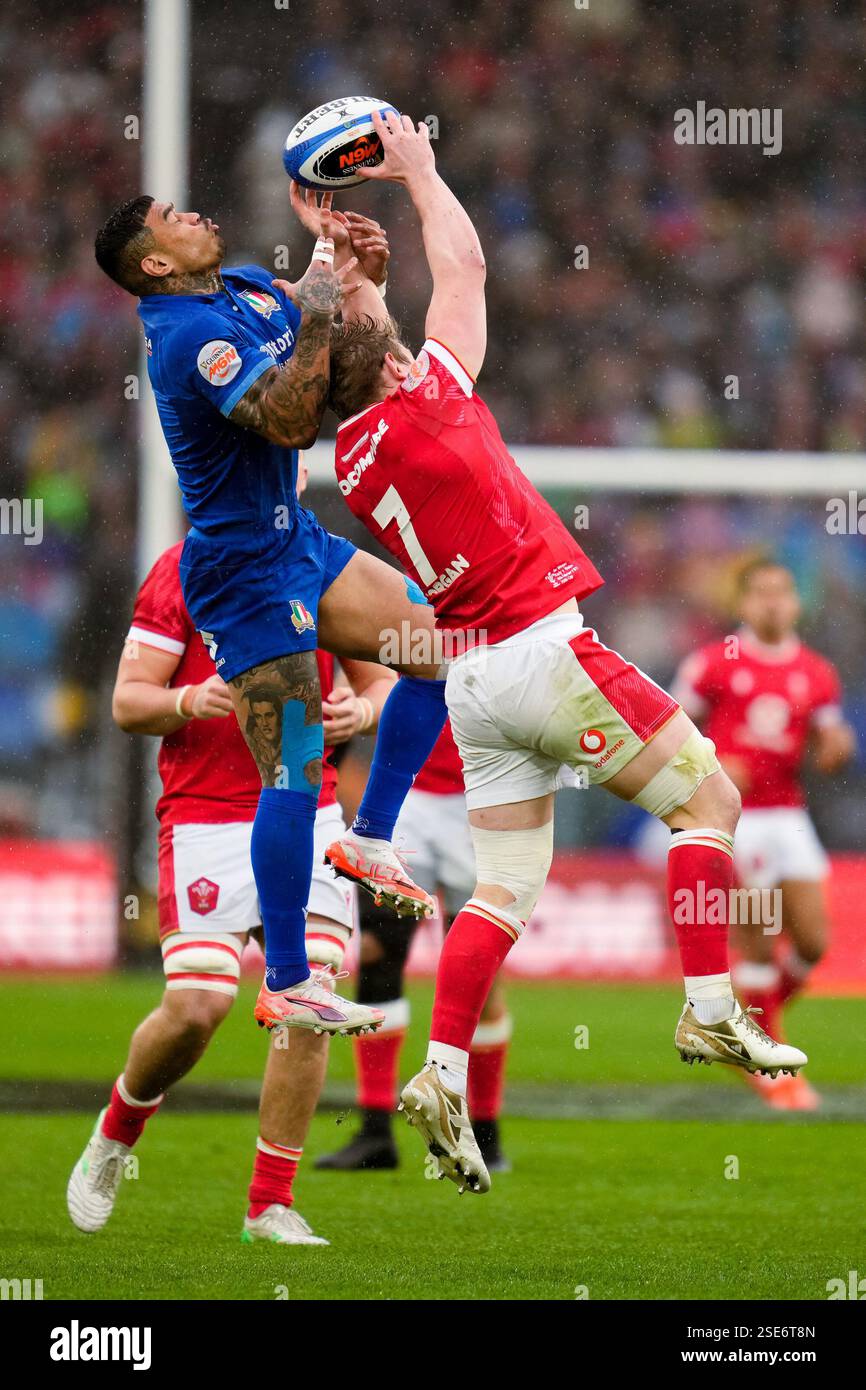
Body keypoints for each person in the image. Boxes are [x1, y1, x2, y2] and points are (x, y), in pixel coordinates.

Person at [323, 110, 807, 1195]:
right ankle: (710, 1004)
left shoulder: (353, 455)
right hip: (543, 652)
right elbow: (466, 268)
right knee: (708, 805)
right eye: (391, 337)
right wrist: (419, 172)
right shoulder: (433, 399)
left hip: (477, 684)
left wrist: (332, 254)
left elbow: (357, 341)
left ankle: (439, 1069)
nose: (405, 336)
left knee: (499, 895)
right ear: (393, 366)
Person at [93, 187, 447, 1041]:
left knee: (440, 647)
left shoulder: (248, 288)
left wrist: (365, 282)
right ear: (154, 263)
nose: (199, 215)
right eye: (179, 218)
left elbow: (344, 379)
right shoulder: (183, 340)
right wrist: (322, 289)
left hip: (300, 542)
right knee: (292, 766)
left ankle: (368, 836)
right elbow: (290, 420)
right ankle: (288, 980)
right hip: (241, 570)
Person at [67, 536, 397, 1244]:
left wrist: (360, 712)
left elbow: (387, 675)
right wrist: (192, 698)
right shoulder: (182, 567)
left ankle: (268, 1204)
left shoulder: (322, 561)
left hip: (308, 810)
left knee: (307, 1000)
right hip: (206, 819)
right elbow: (129, 702)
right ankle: (117, 1129)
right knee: (197, 1007)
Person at [672, 560, 855, 1110]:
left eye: (782, 593)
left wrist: (835, 746)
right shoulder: (713, 663)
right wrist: (716, 760)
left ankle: (744, 1023)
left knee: (813, 943)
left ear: (795, 603)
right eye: (761, 594)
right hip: (734, 815)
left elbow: (827, 737)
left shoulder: (816, 671)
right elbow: (669, 729)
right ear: (743, 604)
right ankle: (769, 1065)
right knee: (757, 926)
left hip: (789, 814)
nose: (773, 603)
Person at [317, 719, 511, 1173]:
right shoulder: (409, 645)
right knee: (377, 956)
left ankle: (483, 1131)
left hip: (483, 799)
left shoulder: (498, 646)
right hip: (406, 799)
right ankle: (375, 1130)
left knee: (482, 975)